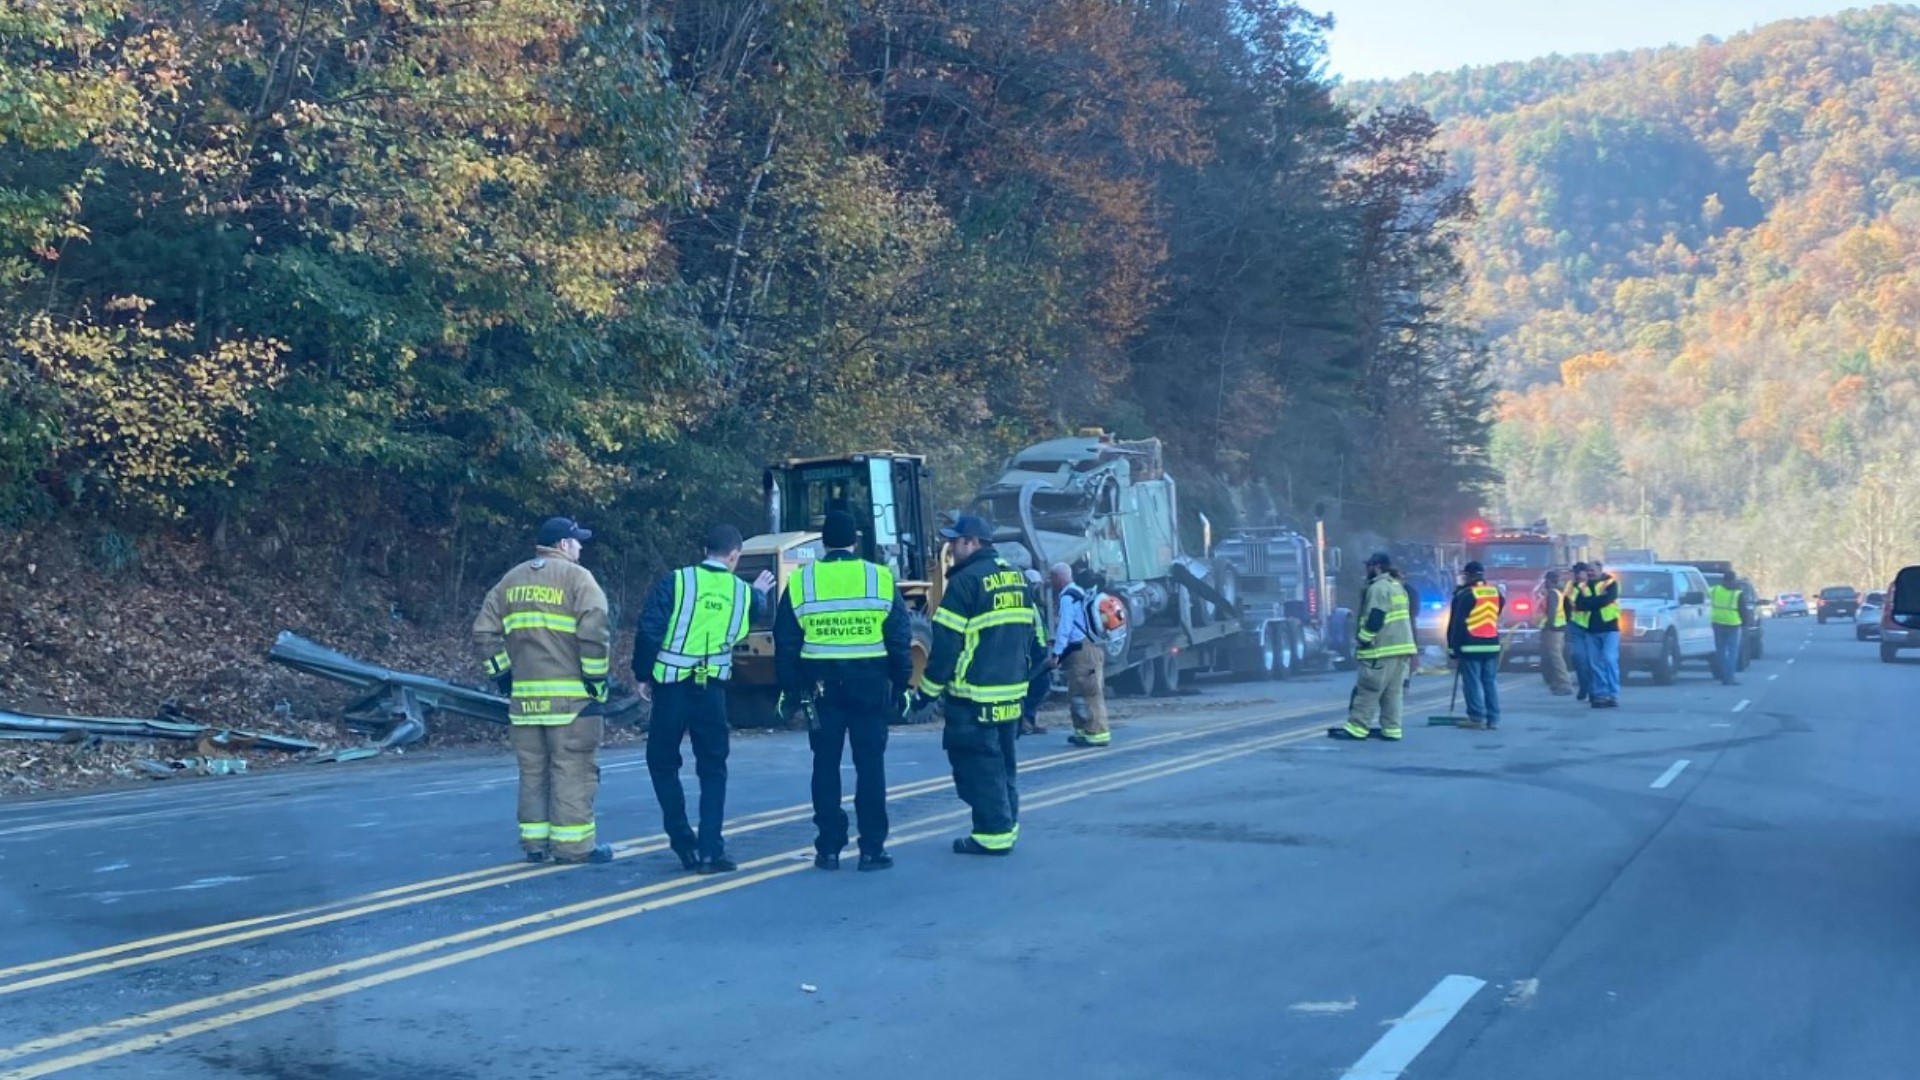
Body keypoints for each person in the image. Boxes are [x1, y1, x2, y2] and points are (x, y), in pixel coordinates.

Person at [773, 510, 911, 872]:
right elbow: (899, 637)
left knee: (825, 766)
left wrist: (788, 691)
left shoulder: (804, 581)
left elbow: (786, 640)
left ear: (823, 542)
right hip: (870, 687)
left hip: (821, 691)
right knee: (870, 767)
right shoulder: (879, 577)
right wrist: (902, 683)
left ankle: (829, 849)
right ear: (855, 541)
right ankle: (872, 849)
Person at [633, 524, 775, 874]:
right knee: (713, 769)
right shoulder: (742, 593)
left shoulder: (677, 581)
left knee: (662, 764)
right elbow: (749, 617)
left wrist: (642, 673)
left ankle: (683, 843)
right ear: (734, 556)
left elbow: (650, 628)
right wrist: (758, 591)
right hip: (711, 692)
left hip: (671, 690)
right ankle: (712, 851)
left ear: (704, 549)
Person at [473, 517, 614, 864]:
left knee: (533, 771)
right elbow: (594, 632)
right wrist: (596, 683)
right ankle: (573, 847)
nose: (581, 548)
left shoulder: (511, 580)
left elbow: (483, 634)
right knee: (573, 770)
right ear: (563, 545)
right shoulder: (578, 579)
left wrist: (503, 676)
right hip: (572, 703)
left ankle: (535, 844)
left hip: (524, 703)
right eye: (577, 542)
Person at [916, 514, 1046, 855]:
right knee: (1003, 764)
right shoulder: (1017, 580)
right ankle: (1007, 824)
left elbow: (945, 647)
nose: (951, 550)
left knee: (977, 767)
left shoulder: (965, 583)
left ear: (972, 542)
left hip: (972, 698)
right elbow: (1037, 640)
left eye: (954, 543)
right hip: (1010, 698)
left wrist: (925, 694)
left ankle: (992, 834)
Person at [1330, 552, 1416, 741]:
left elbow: (1376, 616)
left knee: (1369, 689)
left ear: (1377, 567)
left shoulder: (1378, 588)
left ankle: (1357, 728)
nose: (1366, 570)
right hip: (1401, 650)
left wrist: (1363, 638)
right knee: (1393, 693)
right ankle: (1392, 729)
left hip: (1381, 649)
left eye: (1369, 566)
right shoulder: (1397, 586)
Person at [1050, 562, 1111, 748]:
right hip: (1087, 649)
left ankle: (1098, 733)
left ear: (1058, 578)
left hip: (1081, 651)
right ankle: (1083, 731)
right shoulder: (1080, 593)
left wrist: (1056, 653)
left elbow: (1065, 628)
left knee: (1089, 693)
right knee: (1077, 692)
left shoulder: (1068, 598)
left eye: (1051, 579)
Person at [1448, 561, 1505, 730]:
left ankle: (1476, 717)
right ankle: (1493, 718)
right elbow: (1496, 613)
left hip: (1471, 645)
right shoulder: (1496, 593)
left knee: (1472, 682)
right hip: (1492, 644)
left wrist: (1453, 648)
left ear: (1469, 575)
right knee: (1490, 682)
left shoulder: (1465, 595)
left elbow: (1456, 624)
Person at [1574, 559, 1622, 709]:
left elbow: (1607, 600)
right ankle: (1601, 694)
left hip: (1610, 628)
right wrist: (1596, 601)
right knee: (1595, 664)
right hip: (1591, 629)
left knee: (1609, 659)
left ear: (1600, 570)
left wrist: (1591, 602)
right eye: (1588, 570)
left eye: (1593, 570)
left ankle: (1613, 693)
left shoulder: (1611, 583)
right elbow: (1580, 605)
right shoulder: (1582, 586)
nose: (1590, 573)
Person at [1538, 569, 1574, 696]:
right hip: (1559, 629)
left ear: (1548, 580)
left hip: (1553, 630)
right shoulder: (1560, 592)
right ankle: (1557, 683)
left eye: (1545, 580)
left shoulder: (1553, 593)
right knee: (1555, 657)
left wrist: (1548, 625)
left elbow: (1551, 612)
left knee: (1556, 658)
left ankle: (1565, 684)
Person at [1709, 569, 1747, 686]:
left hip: (1717, 622)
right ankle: (1729, 678)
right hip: (1732, 624)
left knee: (1720, 651)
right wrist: (1745, 623)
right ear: (1733, 580)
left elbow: (1704, 601)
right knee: (1732, 652)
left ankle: (1722, 675)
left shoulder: (1713, 590)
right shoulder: (1737, 593)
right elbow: (1743, 610)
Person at [1566, 563, 1595, 701]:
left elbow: (1591, 603)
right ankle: (1584, 686)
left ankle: (1592, 689)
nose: (1578, 575)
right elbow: (1567, 604)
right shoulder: (1571, 586)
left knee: (1591, 661)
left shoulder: (1593, 585)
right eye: (1576, 572)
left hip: (1593, 627)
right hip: (1576, 626)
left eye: (1580, 572)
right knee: (1578, 658)